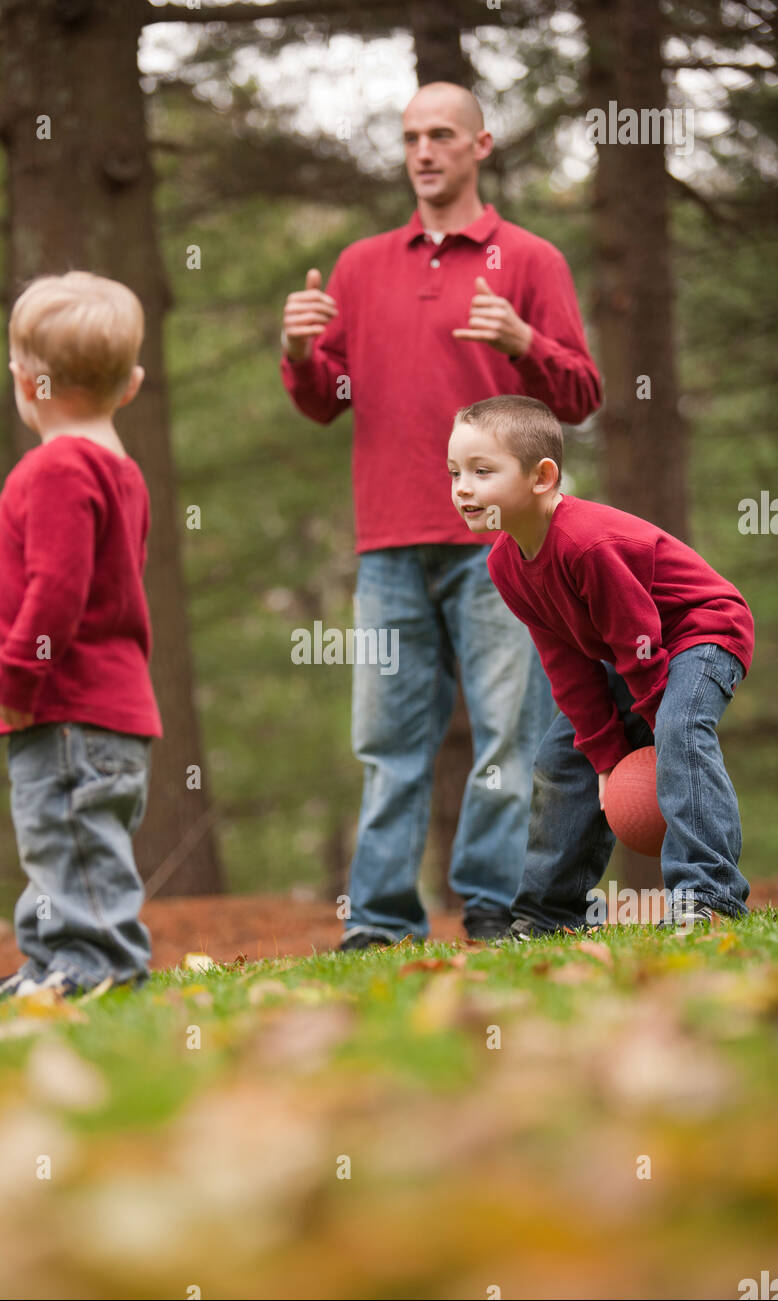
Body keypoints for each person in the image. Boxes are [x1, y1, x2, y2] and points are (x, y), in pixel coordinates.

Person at [280, 82, 602, 948]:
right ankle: (381, 919)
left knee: (508, 732)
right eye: (412, 136)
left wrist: (525, 346)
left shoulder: (530, 260)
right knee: (387, 741)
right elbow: (323, 401)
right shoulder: (359, 265)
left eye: (443, 135)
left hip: (499, 541)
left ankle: (493, 909)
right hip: (387, 541)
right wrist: (298, 349)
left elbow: (581, 395)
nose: (424, 150)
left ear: (480, 146)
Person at [447, 393, 754, 938]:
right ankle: (546, 915)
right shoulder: (505, 564)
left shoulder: (586, 544)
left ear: (542, 476)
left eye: (481, 471)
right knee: (561, 759)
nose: (463, 487)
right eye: (455, 473)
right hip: (629, 654)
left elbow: (638, 642)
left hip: (699, 632)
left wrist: (660, 740)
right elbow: (566, 663)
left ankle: (707, 897)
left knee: (682, 731)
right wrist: (608, 757)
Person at [0, 270, 163, 1000]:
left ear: (26, 383)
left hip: (66, 705)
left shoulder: (57, 467)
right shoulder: (121, 470)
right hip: (101, 707)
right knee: (67, 840)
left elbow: (59, 589)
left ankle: (96, 965)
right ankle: (52, 962)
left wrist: (18, 678)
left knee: (72, 839)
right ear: (133, 384)